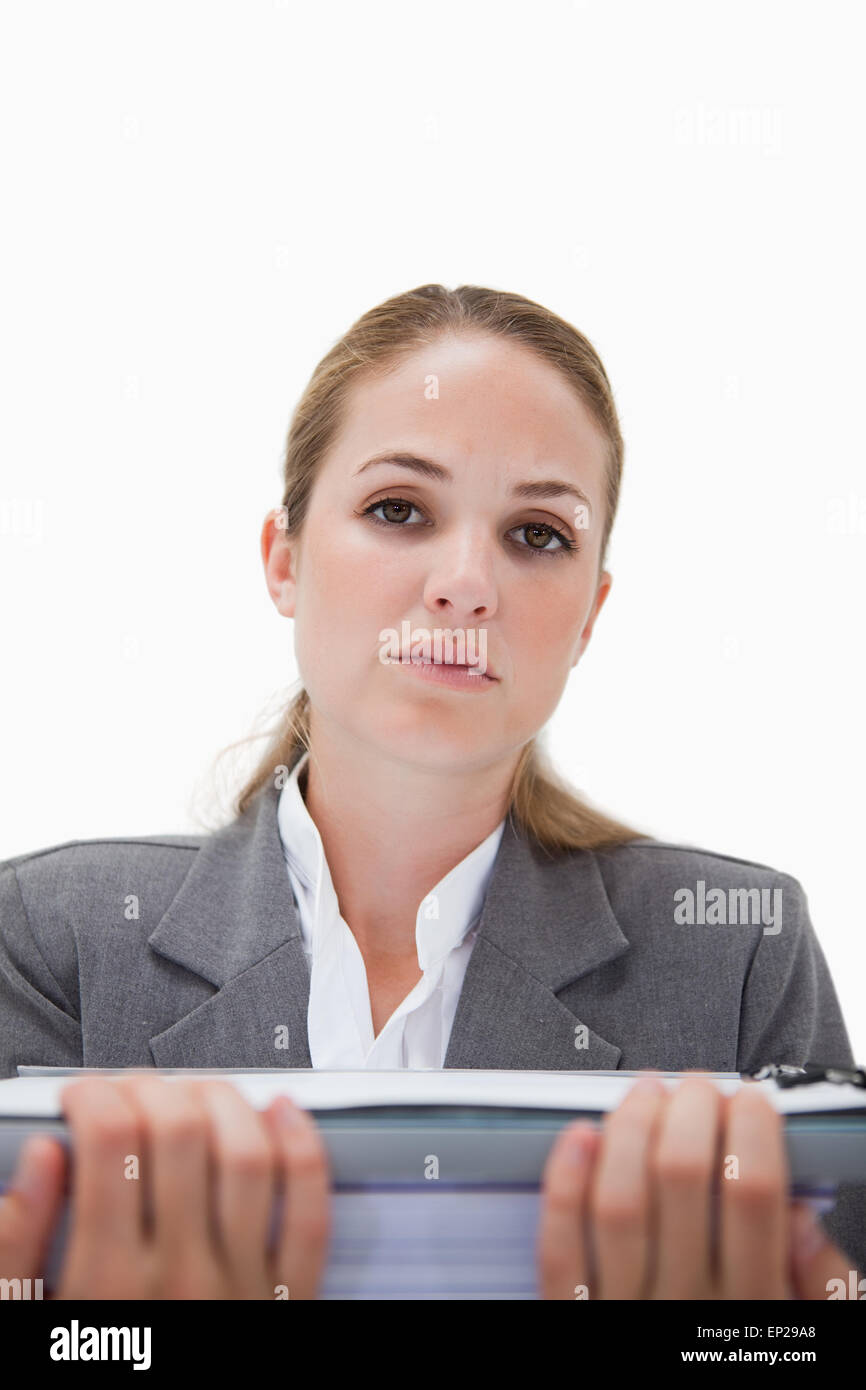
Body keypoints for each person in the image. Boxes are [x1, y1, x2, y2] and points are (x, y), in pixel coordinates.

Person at [0, 284, 862, 1299]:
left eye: (536, 533)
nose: (465, 582)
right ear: (283, 559)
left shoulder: (737, 955)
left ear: (588, 615)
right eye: (397, 509)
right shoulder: (50, 939)